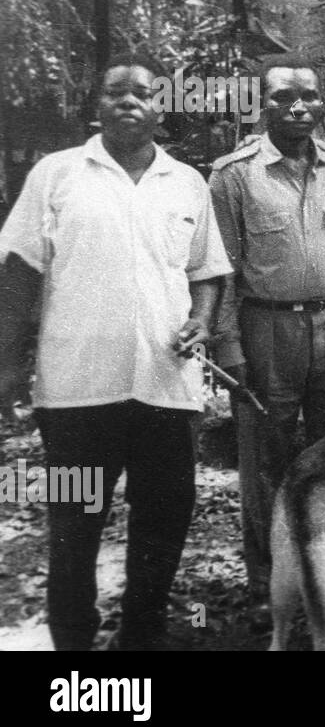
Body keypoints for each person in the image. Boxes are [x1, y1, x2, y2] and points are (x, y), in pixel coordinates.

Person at [0, 52, 231, 649]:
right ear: (95, 105)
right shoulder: (56, 175)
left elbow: (207, 271)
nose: (130, 102)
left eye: (144, 94)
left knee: (162, 530)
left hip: (165, 391)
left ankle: (139, 647)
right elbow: (19, 273)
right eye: (115, 92)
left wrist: (202, 321)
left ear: (163, 109)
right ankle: (75, 663)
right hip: (76, 393)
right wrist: (4, 367)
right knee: (73, 534)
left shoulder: (187, 182)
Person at [209, 53, 325, 615]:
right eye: (282, 96)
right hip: (266, 329)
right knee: (266, 462)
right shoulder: (233, 175)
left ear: (323, 102)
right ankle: (269, 579)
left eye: (308, 95)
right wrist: (227, 344)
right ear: (262, 103)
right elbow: (221, 268)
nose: (298, 107)